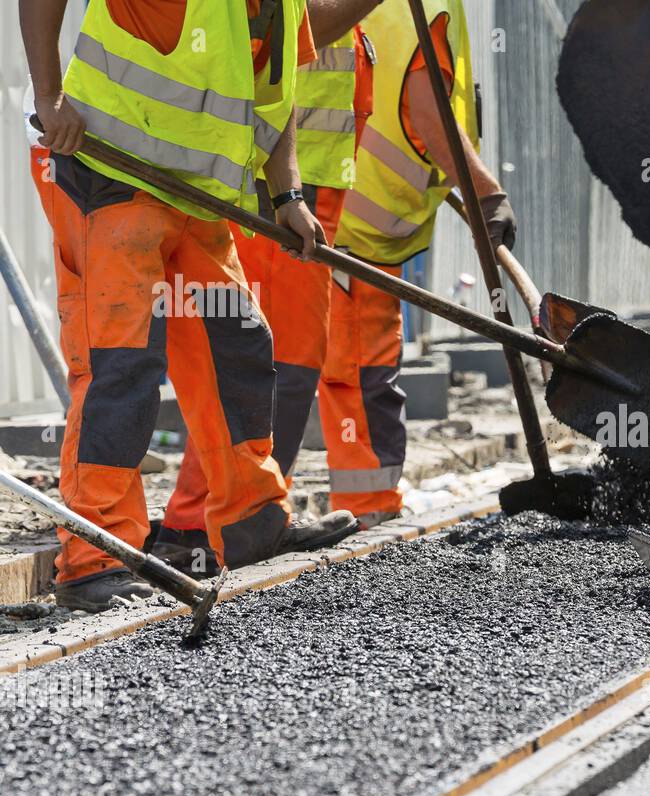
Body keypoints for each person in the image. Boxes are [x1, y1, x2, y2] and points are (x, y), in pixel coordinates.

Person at [20, 0, 358, 611]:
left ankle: (252, 520)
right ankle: (96, 555)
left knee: (237, 348)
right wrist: (49, 95)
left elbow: (273, 93)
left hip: (197, 200)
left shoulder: (282, 6)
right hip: (108, 175)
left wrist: (287, 194)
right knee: (121, 365)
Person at [153, 0, 383, 573]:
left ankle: (228, 519)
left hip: (298, 180)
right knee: (271, 356)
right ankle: (205, 522)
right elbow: (296, 34)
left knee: (282, 357)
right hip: (268, 177)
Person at [323, 0, 516, 526]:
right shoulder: (421, 5)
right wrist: (485, 193)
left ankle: (365, 507)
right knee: (359, 378)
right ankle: (367, 510)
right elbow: (429, 114)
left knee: (354, 374)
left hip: (355, 219)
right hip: (350, 223)